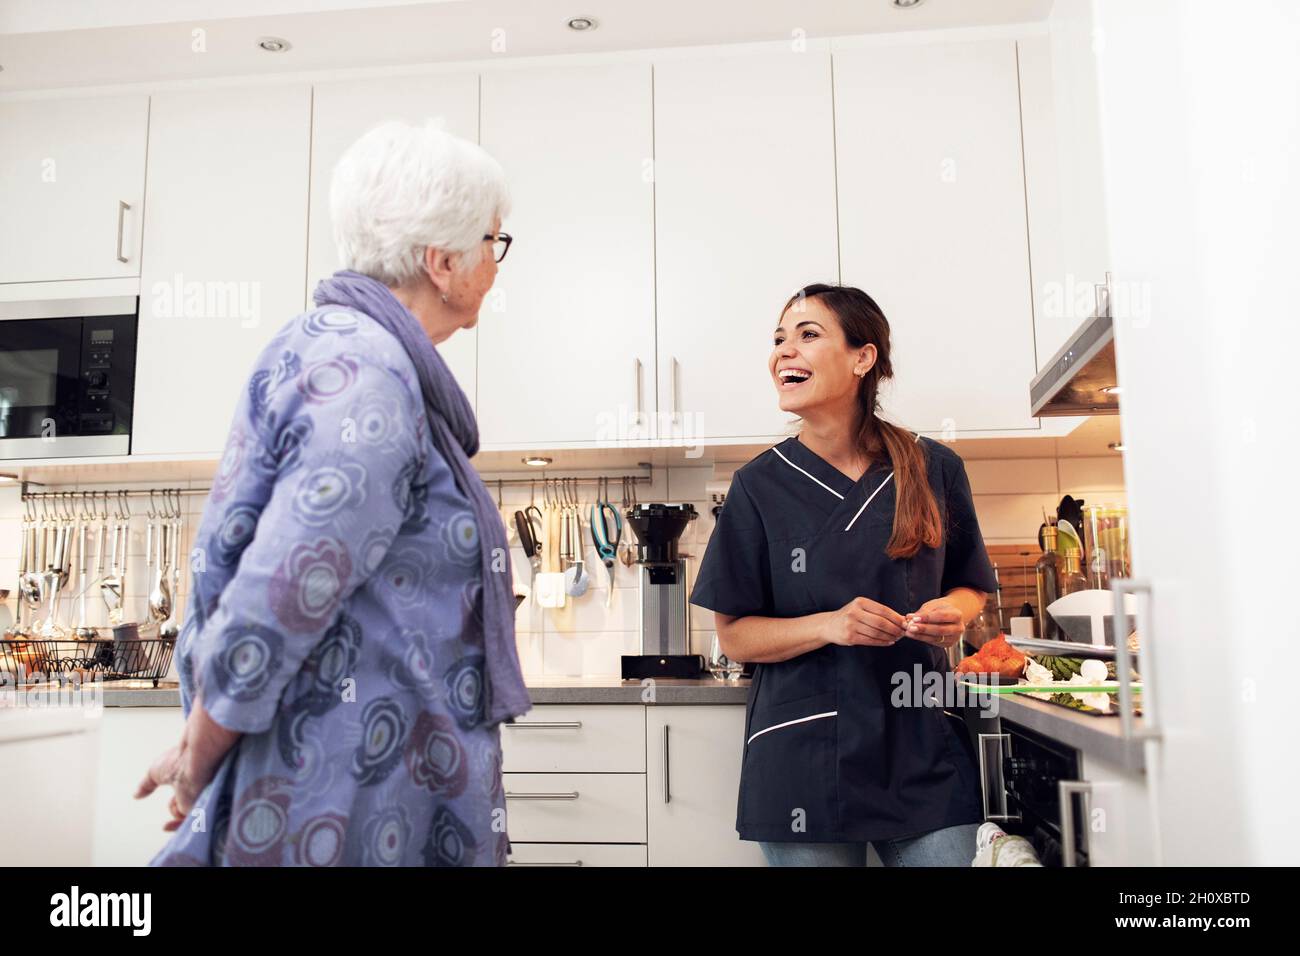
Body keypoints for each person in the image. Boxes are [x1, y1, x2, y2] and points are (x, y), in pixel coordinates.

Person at [137, 121, 530, 866]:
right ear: (443, 261)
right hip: (347, 791)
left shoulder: (347, 350)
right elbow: (293, 575)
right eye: (493, 241)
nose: (497, 263)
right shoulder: (369, 371)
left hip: (363, 775)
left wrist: (209, 730)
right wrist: (205, 746)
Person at [690, 283, 998, 867]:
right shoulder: (759, 485)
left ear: (863, 358)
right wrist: (830, 626)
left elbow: (970, 585)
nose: (785, 352)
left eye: (808, 335)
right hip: (802, 749)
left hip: (919, 745)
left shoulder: (934, 467)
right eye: (779, 339)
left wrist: (954, 612)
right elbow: (734, 635)